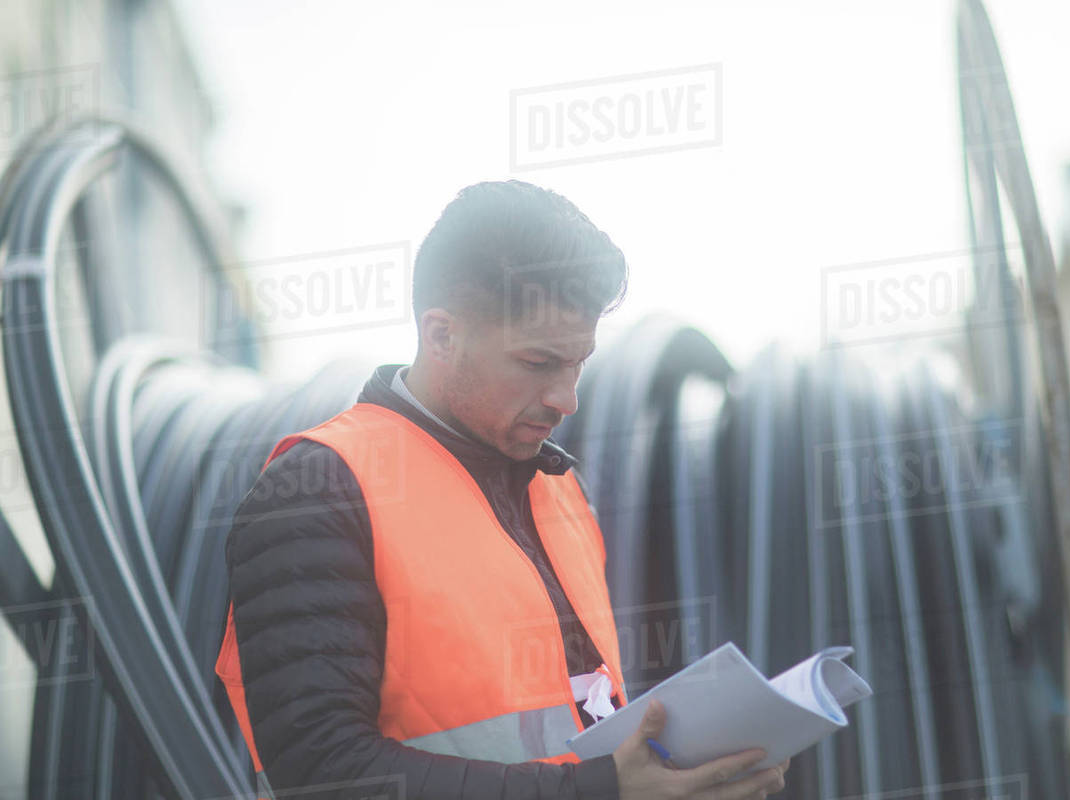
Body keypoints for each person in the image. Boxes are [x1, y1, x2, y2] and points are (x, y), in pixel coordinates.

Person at [215, 180, 790, 800]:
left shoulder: (560, 492)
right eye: (539, 364)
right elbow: (324, 774)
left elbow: (575, 718)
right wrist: (603, 791)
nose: (566, 399)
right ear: (442, 336)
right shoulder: (323, 490)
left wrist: (683, 773)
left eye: (579, 364)